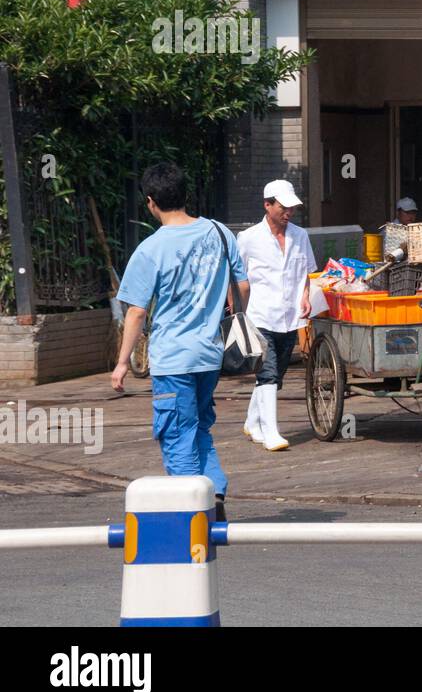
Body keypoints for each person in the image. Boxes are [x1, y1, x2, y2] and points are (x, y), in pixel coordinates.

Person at [111, 162, 248, 522]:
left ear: (151, 202)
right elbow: (243, 286)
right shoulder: (220, 233)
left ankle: (193, 512)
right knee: (198, 427)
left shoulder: (150, 249)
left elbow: (136, 313)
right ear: (186, 195)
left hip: (173, 358)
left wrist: (123, 361)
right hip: (210, 355)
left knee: (175, 434)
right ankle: (214, 492)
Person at [237, 180, 316, 452]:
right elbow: (238, 278)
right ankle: (271, 433)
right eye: (284, 207)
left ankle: (252, 421)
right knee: (267, 372)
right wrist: (239, 311)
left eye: (292, 207)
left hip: (290, 315)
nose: (289, 212)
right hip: (260, 314)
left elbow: (307, 271)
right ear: (267, 205)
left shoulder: (300, 236)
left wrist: (306, 296)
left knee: (276, 374)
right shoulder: (248, 238)